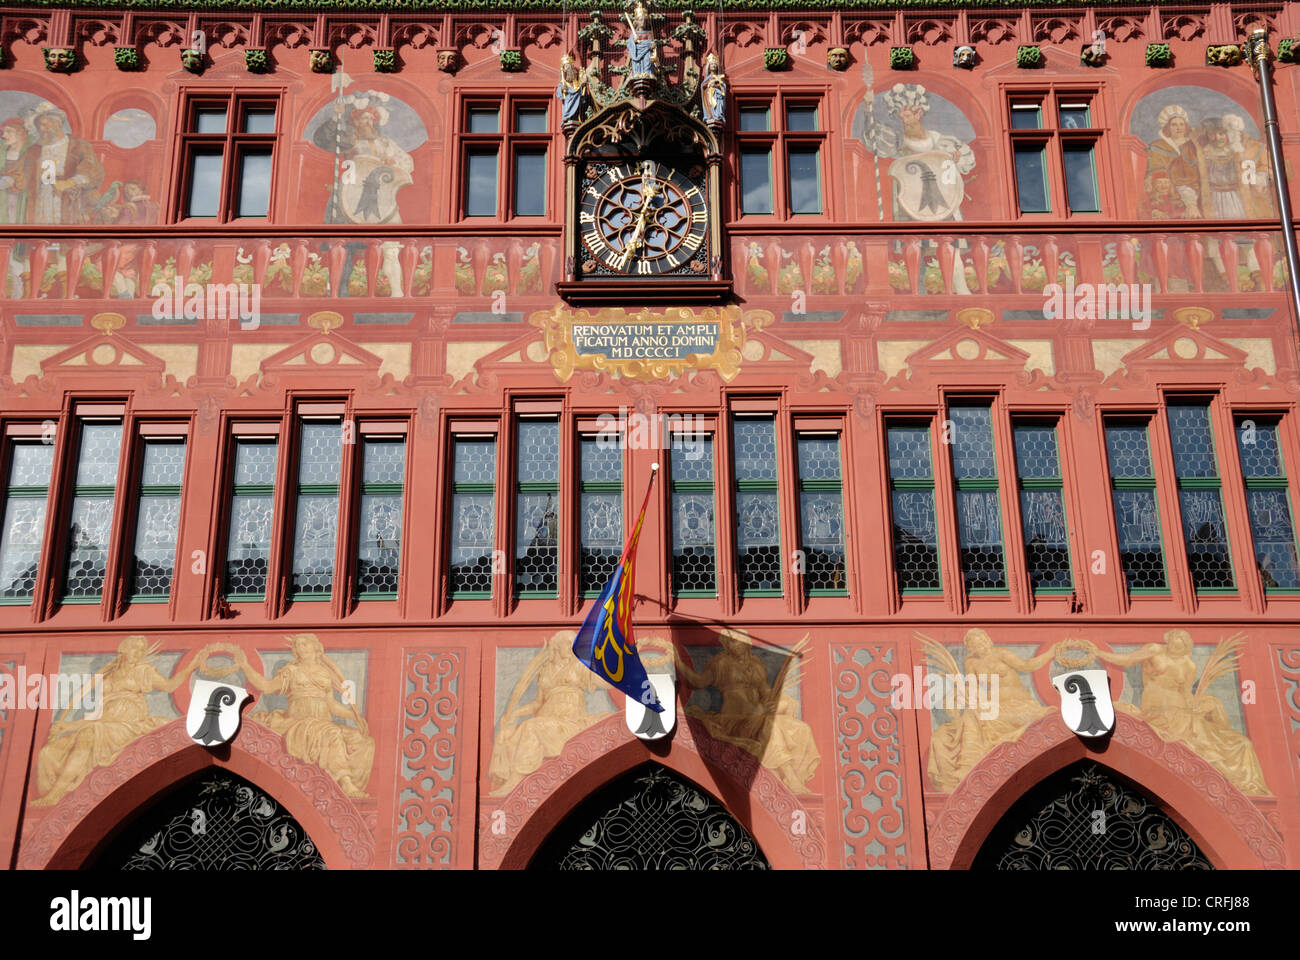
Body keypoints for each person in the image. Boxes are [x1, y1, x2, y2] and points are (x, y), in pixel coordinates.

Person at [1092, 630, 1270, 795]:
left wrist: (1199, 707)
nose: (1178, 648)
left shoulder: (1189, 665)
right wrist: (1098, 653)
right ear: (1168, 641)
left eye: (1183, 645)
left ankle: (1231, 771)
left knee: (1238, 741)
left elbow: (1185, 693)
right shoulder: (1154, 650)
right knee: (1194, 727)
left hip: (1181, 710)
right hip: (1157, 708)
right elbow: (1127, 660)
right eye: (1175, 643)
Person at [31, 636, 202, 807]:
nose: (139, 652)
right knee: (48, 752)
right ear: (123, 649)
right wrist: (67, 725)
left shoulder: (144, 671)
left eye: (142, 649)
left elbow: (169, 686)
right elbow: (97, 714)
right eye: (135, 647)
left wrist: (191, 666)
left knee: (89, 734)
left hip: (129, 726)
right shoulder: (107, 677)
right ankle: (56, 792)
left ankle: (56, 794)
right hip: (104, 725)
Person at [238, 633, 375, 798]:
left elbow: (331, 705)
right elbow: (266, 687)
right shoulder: (291, 671)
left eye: (305, 644)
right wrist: (245, 666)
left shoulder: (325, 673)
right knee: (331, 734)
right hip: (300, 722)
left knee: (363, 740)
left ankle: (351, 782)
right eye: (298, 645)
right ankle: (346, 783)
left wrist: (355, 716)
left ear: (315, 647)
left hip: (323, 721)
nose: (301, 647)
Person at [924, 629, 1057, 792]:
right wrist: (955, 696)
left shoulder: (1001, 654)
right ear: (970, 648)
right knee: (966, 717)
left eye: (981, 641)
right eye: (974, 644)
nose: (979, 646)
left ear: (987, 640)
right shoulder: (971, 663)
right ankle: (967, 766)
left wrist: (1050, 653)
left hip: (1019, 706)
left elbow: (1026, 666)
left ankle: (967, 766)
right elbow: (972, 687)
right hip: (994, 707)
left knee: (974, 716)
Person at [488, 631, 613, 795]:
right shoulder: (546, 671)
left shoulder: (580, 666)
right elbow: (538, 703)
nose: (570, 648)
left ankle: (516, 780)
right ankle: (512, 778)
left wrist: (614, 667)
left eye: (572, 644)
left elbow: (605, 681)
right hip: (547, 721)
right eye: (567, 644)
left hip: (570, 722)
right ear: (556, 646)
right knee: (509, 733)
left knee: (531, 727)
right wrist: (514, 714)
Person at [10, 103, 103, 225]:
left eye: (44, 124)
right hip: (39, 199)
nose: (42, 130)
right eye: (39, 126)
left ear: (57, 123)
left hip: (67, 199)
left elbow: (92, 171)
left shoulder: (78, 145)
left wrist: (69, 182)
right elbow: (17, 172)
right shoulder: (33, 150)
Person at [1145, 105, 1201, 218]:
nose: (1178, 128)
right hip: (1169, 191)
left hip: (1196, 189)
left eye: (1181, 124)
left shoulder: (1194, 145)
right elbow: (1155, 173)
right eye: (1174, 124)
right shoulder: (1158, 146)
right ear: (1168, 128)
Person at [624, 2, 656, 78]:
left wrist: (651, 44)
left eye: (644, 20)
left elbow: (652, 42)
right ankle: (637, 73)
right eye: (641, 20)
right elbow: (629, 44)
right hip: (637, 52)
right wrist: (633, 41)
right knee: (637, 62)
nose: (643, 22)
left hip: (647, 52)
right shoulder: (634, 34)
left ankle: (647, 72)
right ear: (637, 22)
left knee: (647, 60)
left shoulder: (648, 33)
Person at [700, 53, 727, 125]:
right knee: (710, 106)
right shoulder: (707, 78)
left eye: (715, 64)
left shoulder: (719, 77)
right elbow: (703, 86)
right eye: (712, 64)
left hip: (717, 96)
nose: (714, 66)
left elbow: (723, 87)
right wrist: (709, 84)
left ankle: (717, 115)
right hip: (709, 96)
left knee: (718, 104)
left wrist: (717, 86)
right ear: (708, 67)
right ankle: (710, 116)